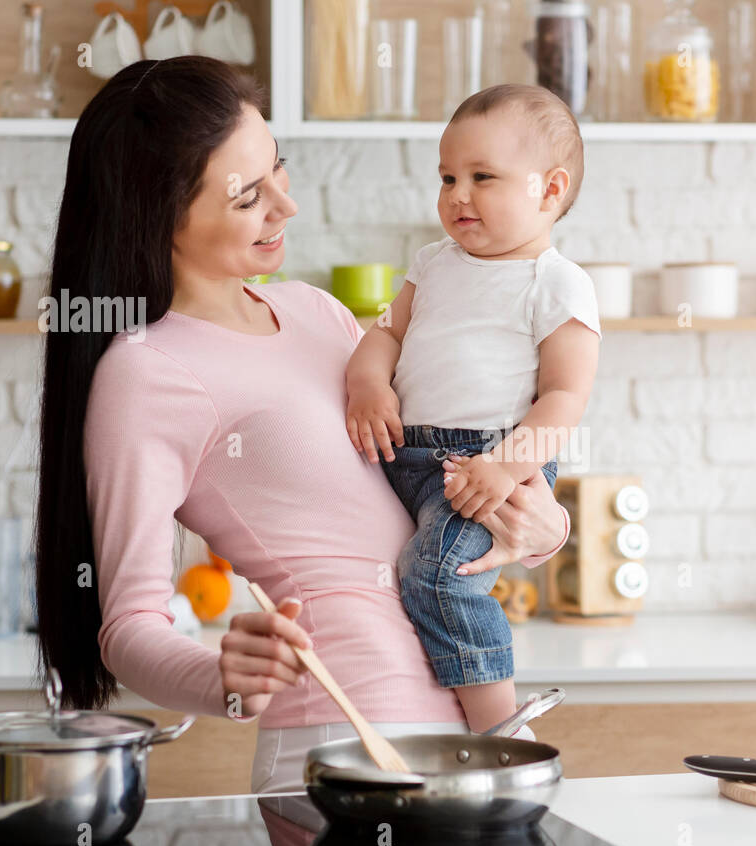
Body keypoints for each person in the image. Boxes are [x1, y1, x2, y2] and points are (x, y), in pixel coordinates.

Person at [33, 57, 570, 796]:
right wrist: (225, 675)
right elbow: (127, 626)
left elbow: (429, 481)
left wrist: (543, 527)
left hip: (470, 714)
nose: (286, 206)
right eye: (249, 195)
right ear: (158, 211)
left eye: (278, 169)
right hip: (344, 731)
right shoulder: (148, 370)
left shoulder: (319, 313)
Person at [345, 84, 601, 733]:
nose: (458, 194)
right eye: (448, 177)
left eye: (482, 177)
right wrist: (369, 385)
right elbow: (384, 335)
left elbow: (564, 399)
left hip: (485, 461)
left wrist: (505, 468)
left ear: (549, 190)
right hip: (408, 454)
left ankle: (502, 728)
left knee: (439, 577)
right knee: (393, 574)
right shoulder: (431, 264)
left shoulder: (558, 281)